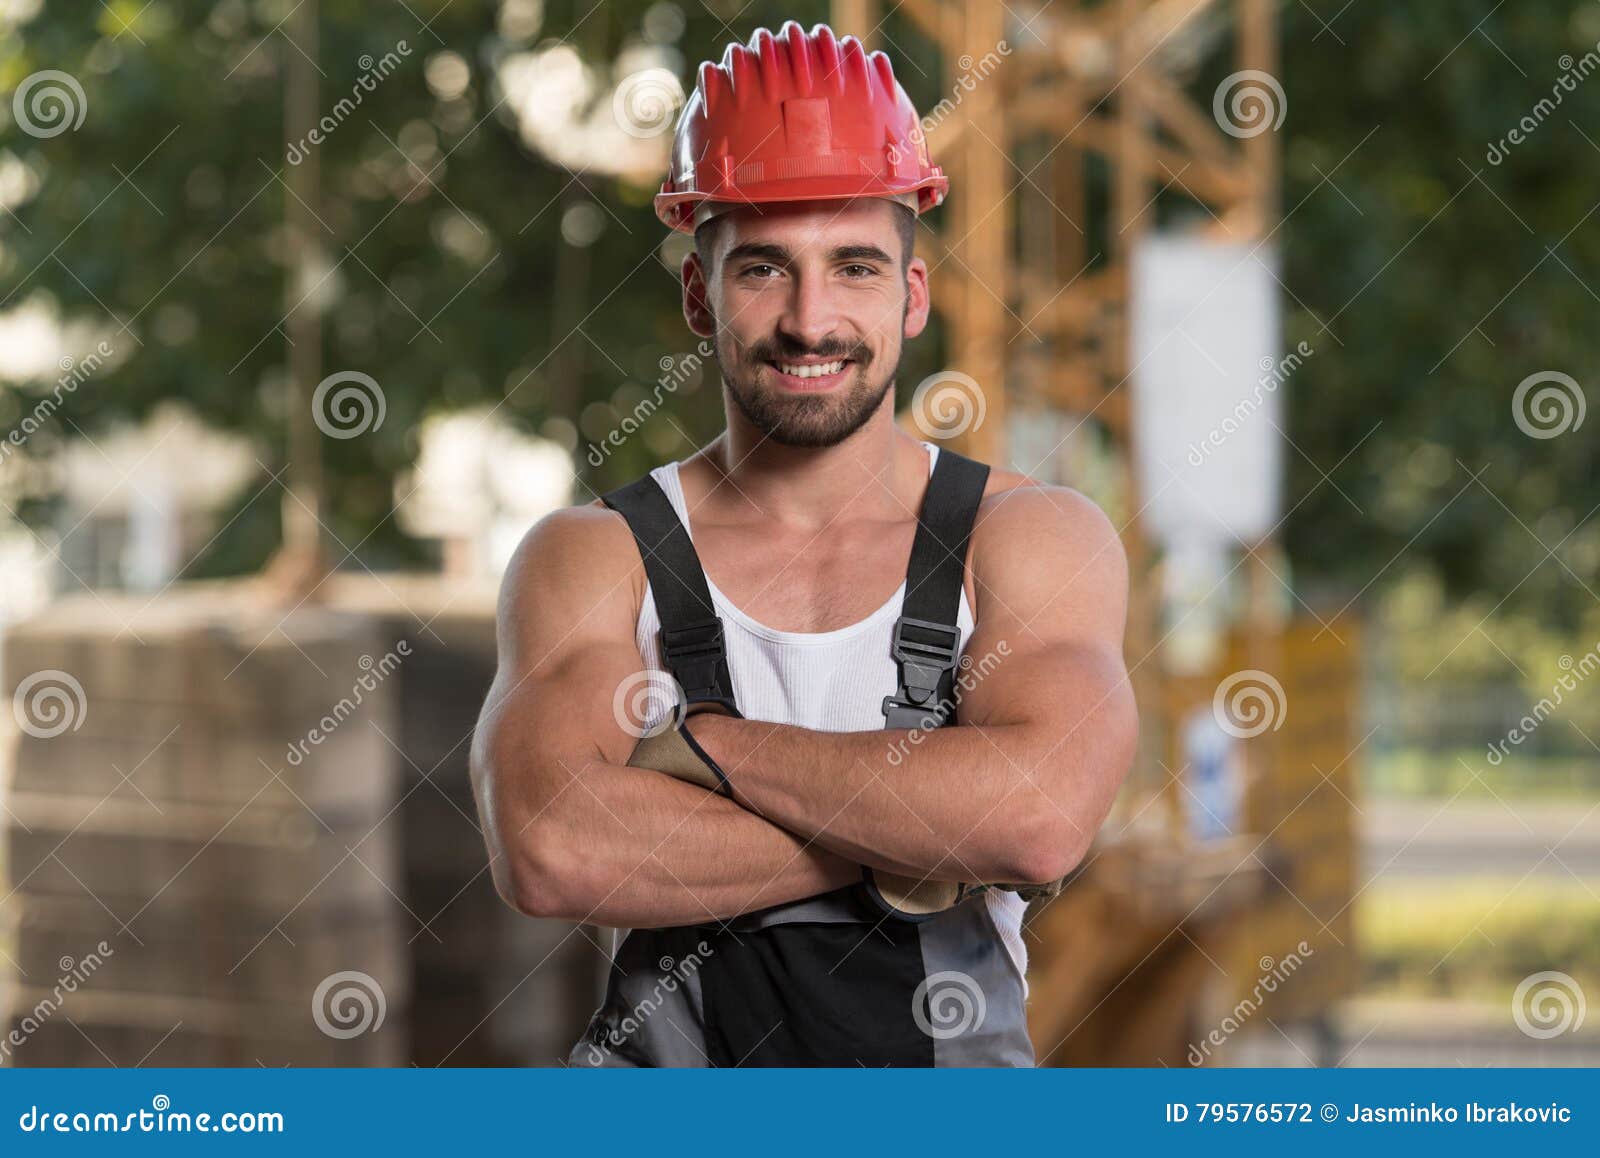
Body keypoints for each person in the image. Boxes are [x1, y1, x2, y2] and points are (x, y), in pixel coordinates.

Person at [470, 21, 1137, 1067]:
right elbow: (551, 851)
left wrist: (702, 752)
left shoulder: (1028, 538)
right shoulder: (593, 557)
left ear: (912, 297)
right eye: (763, 270)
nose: (811, 319)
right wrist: (922, 838)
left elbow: (1039, 822)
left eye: (856, 267)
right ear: (699, 294)